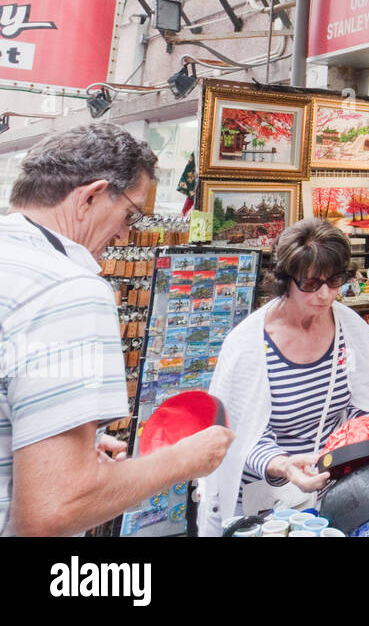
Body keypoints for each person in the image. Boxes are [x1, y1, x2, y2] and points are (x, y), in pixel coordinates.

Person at [1, 123, 233, 536]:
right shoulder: (68, 289)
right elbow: (51, 510)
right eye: (129, 214)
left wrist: (68, 450)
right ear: (90, 196)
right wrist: (184, 460)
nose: (126, 234)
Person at [198, 218, 369, 535]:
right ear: (285, 279)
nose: (324, 294)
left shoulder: (351, 329)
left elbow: (360, 404)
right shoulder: (247, 345)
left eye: (335, 281)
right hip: (258, 502)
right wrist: (284, 464)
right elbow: (235, 433)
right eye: (311, 284)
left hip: (326, 493)